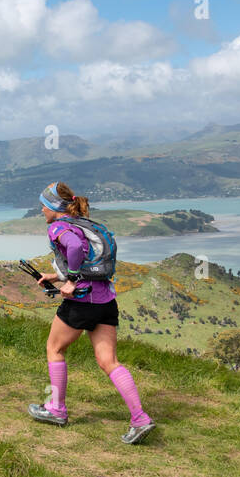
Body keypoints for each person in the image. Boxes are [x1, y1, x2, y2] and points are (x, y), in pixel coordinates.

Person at [27, 182, 157, 445]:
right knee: (108, 361)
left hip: (81, 300)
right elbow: (88, 259)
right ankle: (140, 418)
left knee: (54, 348)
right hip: (106, 300)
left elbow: (74, 248)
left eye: (44, 204)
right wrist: (55, 276)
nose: (41, 209)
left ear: (54, 207)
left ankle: (56, 409)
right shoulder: (83, 224)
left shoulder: (59, 227)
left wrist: (71, 281)